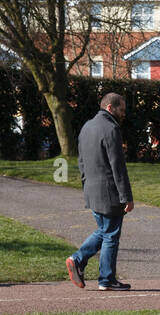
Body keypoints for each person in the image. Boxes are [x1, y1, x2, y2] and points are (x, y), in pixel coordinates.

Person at [66, 92, 135, 292]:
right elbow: (118, 166)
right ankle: (106, 278)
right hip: (109, 192)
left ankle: (77, 260)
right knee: (111, 235)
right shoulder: (111, 128)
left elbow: (81, 162)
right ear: (110, 108)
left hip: (92, 190)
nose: (124, 113)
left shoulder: (87, 127)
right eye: (121, 109)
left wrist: (85, 185)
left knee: (105, 231)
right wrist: (127, 197)